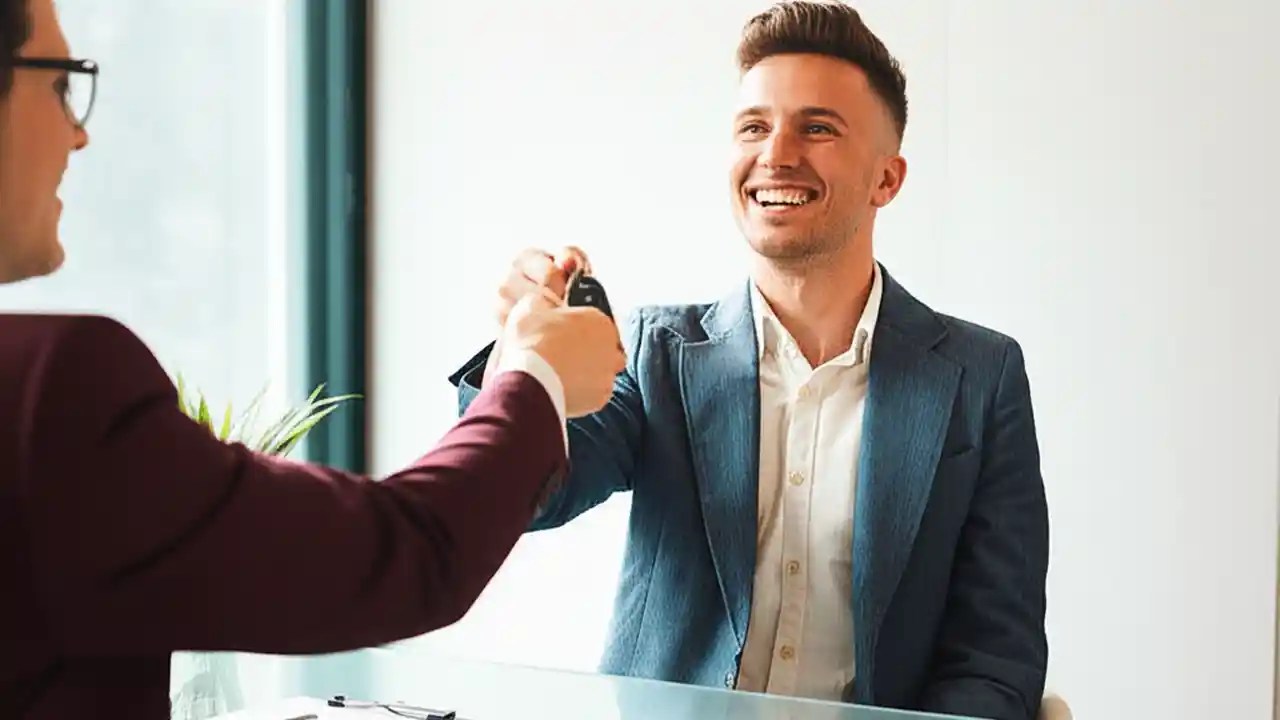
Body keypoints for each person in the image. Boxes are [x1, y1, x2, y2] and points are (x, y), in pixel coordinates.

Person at [0, 0, 626, 717]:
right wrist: (530, 373)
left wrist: (528, 365)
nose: (78, 132)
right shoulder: (55, 390)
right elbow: (407, 554)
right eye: (61, 81)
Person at [449, 2, 1049, 719]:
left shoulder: (981, 379)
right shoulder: (656, 353)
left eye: (817, 128)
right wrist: (525, 359)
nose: (777, 154)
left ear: (886, 180)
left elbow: (995, 659)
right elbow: (523, 498)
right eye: (754, 127)